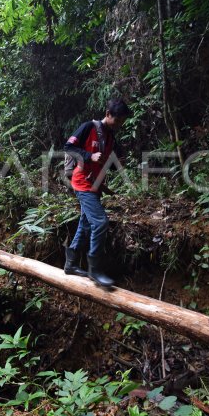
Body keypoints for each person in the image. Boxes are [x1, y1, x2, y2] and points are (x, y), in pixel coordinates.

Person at [62, 98, 130, 287]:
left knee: (85, 224)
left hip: (94, 185)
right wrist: (88, 155)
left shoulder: (110, 137)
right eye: (117, 121)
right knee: (100, 222)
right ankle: (95, 270)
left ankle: (71, 264)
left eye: (122, 122)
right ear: (108, 114)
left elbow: (106, 162)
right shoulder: (88, 127)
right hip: (82, 184)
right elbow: (68, 147)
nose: (119, 125)